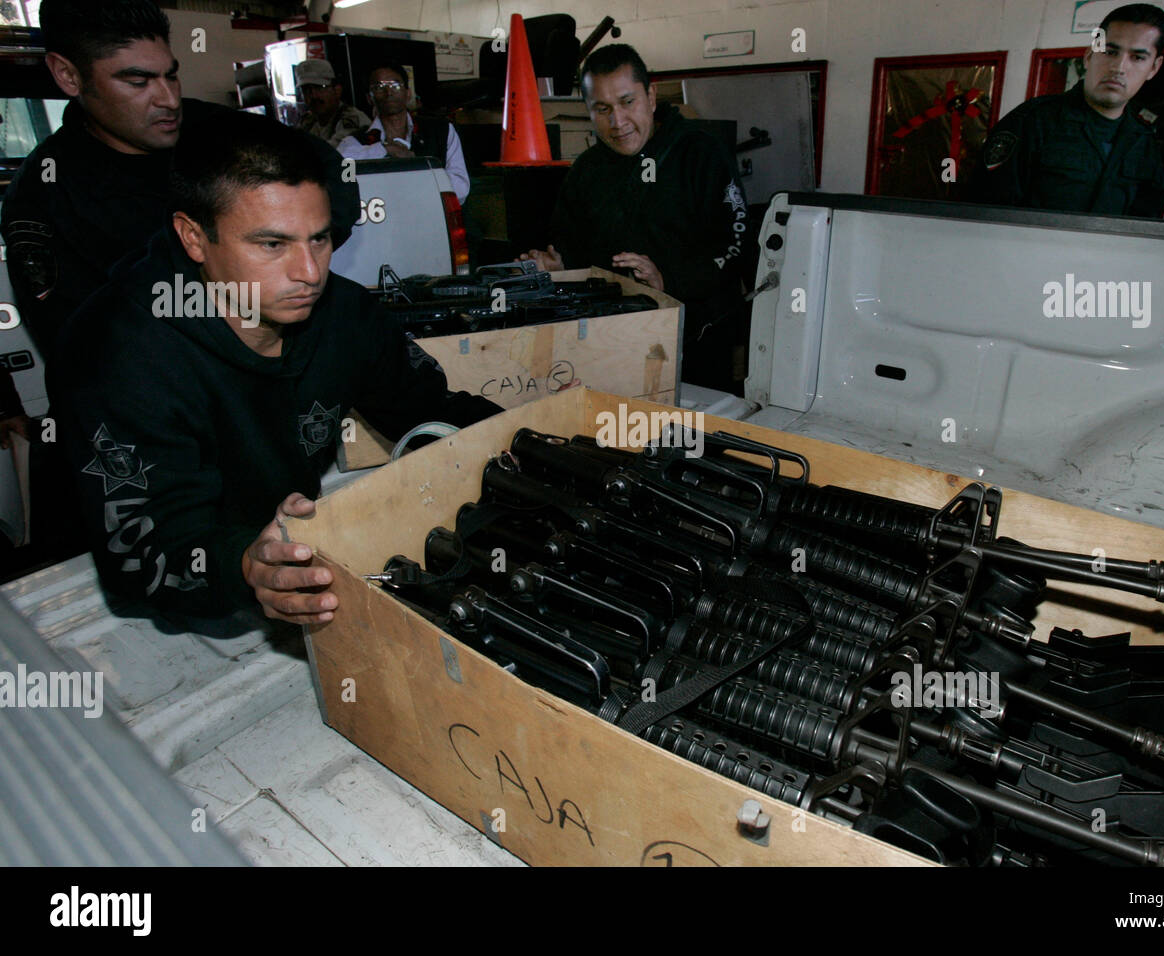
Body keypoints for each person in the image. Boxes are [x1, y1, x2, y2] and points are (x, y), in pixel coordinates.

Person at [50, 112, 500, 622]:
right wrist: (247, 564)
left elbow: (429, 410)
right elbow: (147, 549)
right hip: (185, 610)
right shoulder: (115, 353)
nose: (309, 273)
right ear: (194, 238)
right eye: (272, 244)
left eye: (320, 239)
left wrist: (539, 433)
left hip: (305, 561)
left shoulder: (344, 314)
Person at [0, 0, 359, 571]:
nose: (166, 99)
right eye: (135, 81)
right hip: (152, 450)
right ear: (69, 76)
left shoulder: (219, 129)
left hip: (265, 427)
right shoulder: (44, 198)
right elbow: (89, 356)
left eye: (170, 74)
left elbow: (332, 180)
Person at [520, 44, 750, 393]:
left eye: (628, 102)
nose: (618, 122)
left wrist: (665, 277)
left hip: (698, 346)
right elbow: (571, 245)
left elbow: (737, 246)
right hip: (612, 349)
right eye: (602, 109)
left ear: (651, 96)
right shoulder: (587, 171)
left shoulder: (701, 154)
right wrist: (559, 266)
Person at [972, 3, 1164, 217]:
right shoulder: (1032, 121)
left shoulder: (1145, 145)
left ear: (1154, 68)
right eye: (1110, 51)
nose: (1119, 67)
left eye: (1138, 57)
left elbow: (1145, 227)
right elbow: (984, 212)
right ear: (1088, 56)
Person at [338, 63, 471, 204]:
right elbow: (340, 174)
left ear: (408, 93)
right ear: (369, 98)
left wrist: (418, 168)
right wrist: (384, 150)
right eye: (379, 87)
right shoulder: (356, 141)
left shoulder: (441, 130)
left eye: (395, 85)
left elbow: (461, 189)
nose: (388, 92)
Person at [294, 58, 370, 149]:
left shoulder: (352, 119)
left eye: (320, 88)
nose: (313, 96)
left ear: (337, 90)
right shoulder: (308, 122)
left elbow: (330, 154)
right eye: (306, 90)